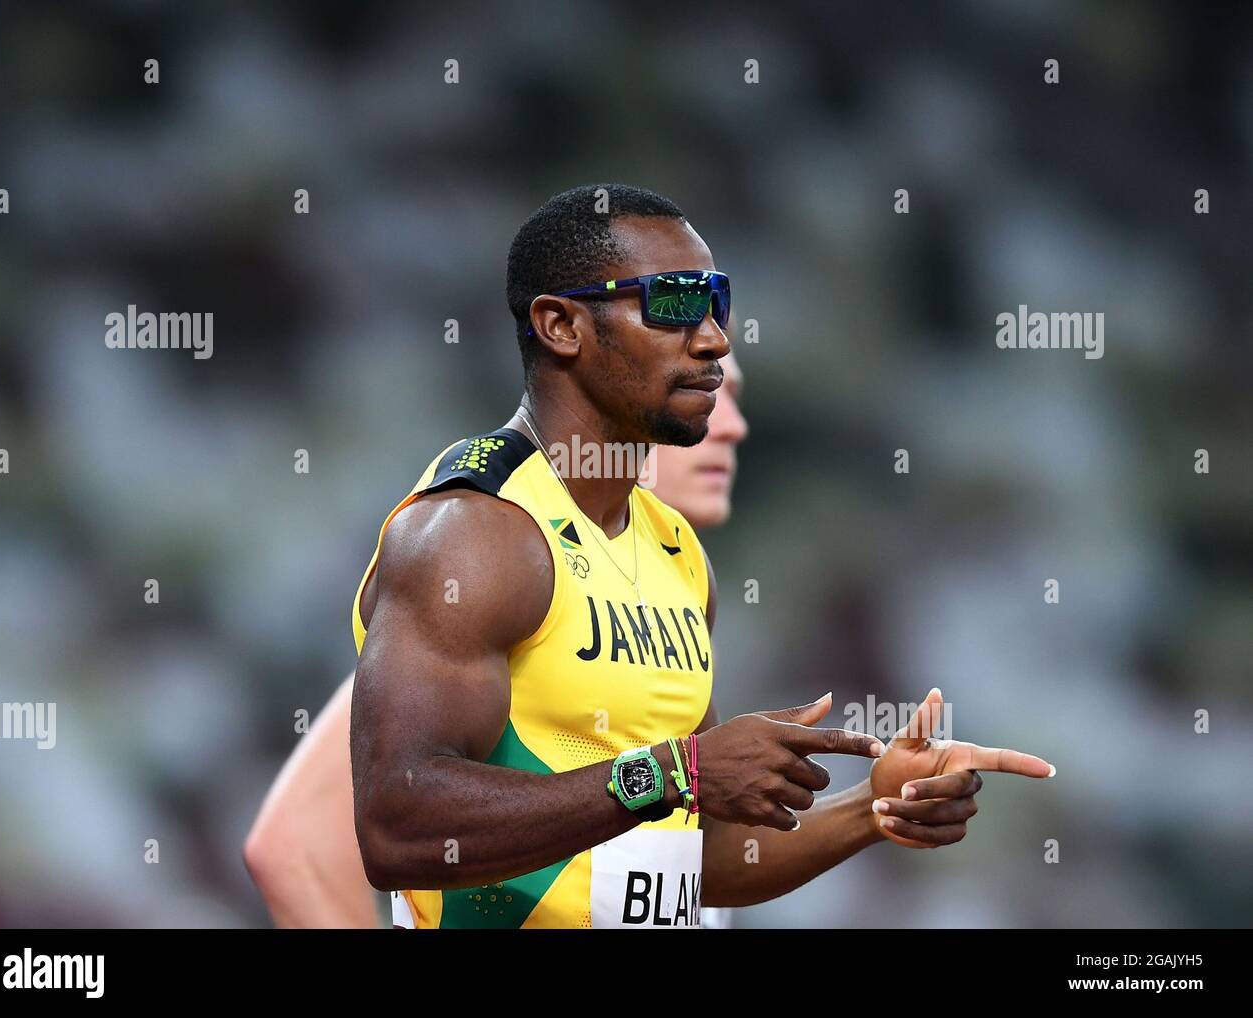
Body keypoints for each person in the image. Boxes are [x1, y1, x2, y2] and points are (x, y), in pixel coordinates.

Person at [345, 183, 1054, 928]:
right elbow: (399, 826)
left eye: (718, 300)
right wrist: (673, 772)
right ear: (560, 325)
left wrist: (873, 807)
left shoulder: (676, 548)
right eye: (675, 302)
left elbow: (695, 853)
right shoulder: (475, 532)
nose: (714, 336)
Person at [244, 347, 749, 928]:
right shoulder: (489, 572)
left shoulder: (673, 576)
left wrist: (865, 810)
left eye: (729, 395)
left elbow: (694, 848)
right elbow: (297, 845)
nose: (730, 425)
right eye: (709, 394)